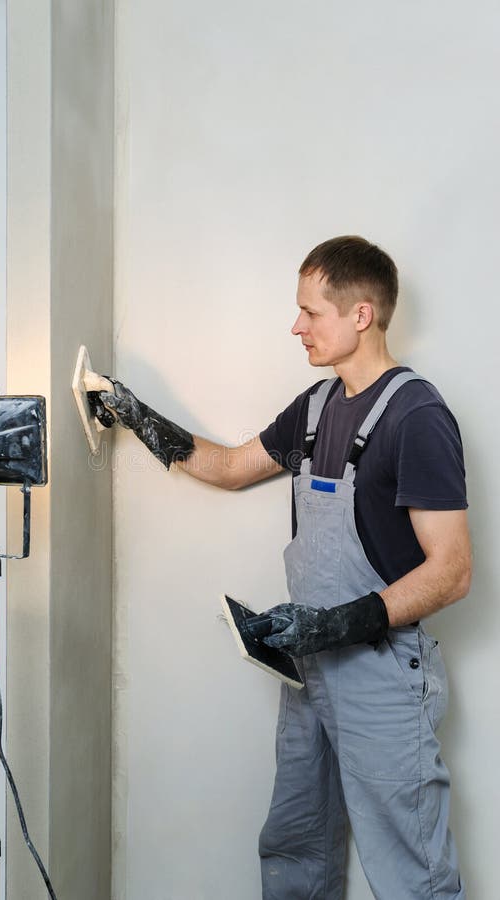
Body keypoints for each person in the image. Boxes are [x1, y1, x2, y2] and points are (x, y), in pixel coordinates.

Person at [89, 235, 471, 900]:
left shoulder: (416, 416)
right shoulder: (317, 407)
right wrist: (136, 416)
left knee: (412, 871)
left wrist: (333, 624)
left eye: (309, 312)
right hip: (309, 673)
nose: (295, 326)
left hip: (380, 676)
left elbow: (452, 571)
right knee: (296, 846)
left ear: (359, 315)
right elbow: (234, 468)